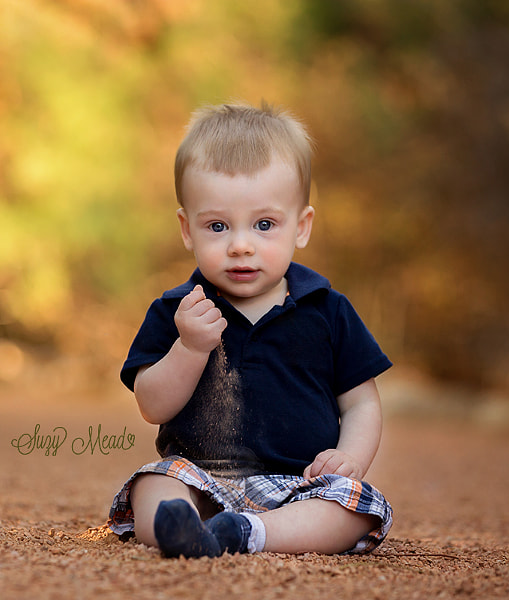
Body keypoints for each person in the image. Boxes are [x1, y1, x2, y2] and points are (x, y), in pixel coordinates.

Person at [107, 102, 393, 558]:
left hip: (301, 484)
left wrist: (351, 459)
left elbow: (360, 402)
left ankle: (248, 533)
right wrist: (189, 347)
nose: (241, 245)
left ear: (301, 227)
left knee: (353, 507)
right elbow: (151, 404)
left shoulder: (328, 310)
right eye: (217, 226)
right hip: (198, 478)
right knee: (154, 483)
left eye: (264, 224)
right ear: (187, 230)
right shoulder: (177, 310)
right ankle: (183, 532)